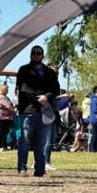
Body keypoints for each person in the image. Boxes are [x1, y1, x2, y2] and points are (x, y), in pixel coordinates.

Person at [16, 45, 59, 176]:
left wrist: (47, 97)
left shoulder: (50, 73)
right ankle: (22, 168)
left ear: (42, 55)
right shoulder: (24, 70)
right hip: (28, 111)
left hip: (44, 111)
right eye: (34, 53)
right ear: (30, 55)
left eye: (38, 53)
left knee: (41, 142)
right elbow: (21, 90)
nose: (36, 55)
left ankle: (40, 169)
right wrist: (37, 99)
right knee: (24, 141)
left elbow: (55, 89)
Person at [0, 84, 16, 150]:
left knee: (5, 132)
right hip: (2, 117)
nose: (7, 91)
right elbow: (6, 106)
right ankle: (1, 145)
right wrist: (13, 110)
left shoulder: (5, 97)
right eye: (6, 89)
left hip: (7, 117)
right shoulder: (0, 96)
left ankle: (4, 145)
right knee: (2, 132)